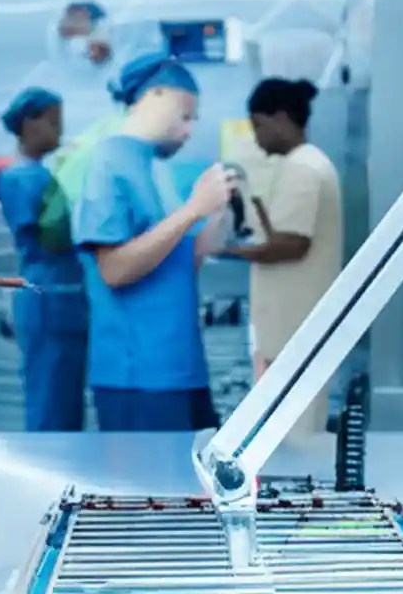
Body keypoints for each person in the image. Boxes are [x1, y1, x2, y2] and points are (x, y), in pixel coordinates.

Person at [73, 53, 233, 431]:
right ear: (156, 96)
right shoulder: (109, 159)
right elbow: (114, 269)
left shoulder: (156, 167)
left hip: (180, 369)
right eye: (186, 116)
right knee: (146, 490)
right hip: (138, 373)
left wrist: (218, 212)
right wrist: (193, 210)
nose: (190, 130)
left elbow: (180, 261)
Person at [226, 78, 343, 441]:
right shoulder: (307, 163)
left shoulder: (302, 168)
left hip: (293, 328)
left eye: (258, 126)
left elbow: (291, 245)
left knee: (291, 435)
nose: (257, 137)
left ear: (280, 119)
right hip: (292, 327)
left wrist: (226, 250)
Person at [0, 87, 89, 431]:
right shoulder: (20, 178)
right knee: (50, 405)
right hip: (48, 300)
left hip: (61, 300)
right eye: (53, 123)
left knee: (64, 403)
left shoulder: (40, 175)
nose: (59, 132)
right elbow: (51, 236)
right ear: (30, 122)